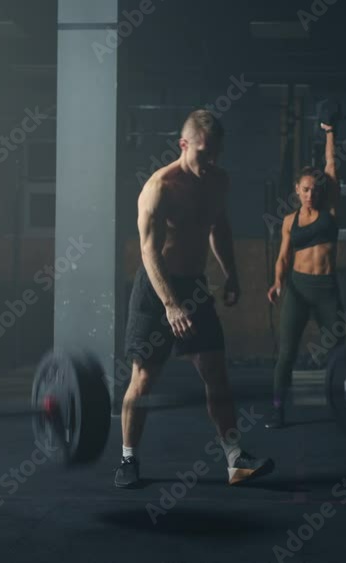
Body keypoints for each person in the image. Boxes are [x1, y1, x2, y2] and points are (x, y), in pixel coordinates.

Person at [116, 110, 273, 488]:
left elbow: (219, 226)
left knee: (216, 373)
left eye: (216, 153)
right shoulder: (160, 187)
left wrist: (231, 272)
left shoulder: (218, 181)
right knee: (144, 378)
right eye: (203, 153)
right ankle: (128, 459)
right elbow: (149, 252)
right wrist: (170, 305)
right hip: (156, 289)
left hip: (195, 288)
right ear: (183, 145)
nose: (210, 162)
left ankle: (235, 460)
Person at [265, 117, 343, 429]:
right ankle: (278, 409)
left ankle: (342, 405)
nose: (311, 194)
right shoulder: (289, 221)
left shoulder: (331, 208)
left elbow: (331, 165)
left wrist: (330, 133)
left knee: (338, 350)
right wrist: (277, 282)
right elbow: (284, 256)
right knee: (286, 353)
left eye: (315, 189)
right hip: (297, 288)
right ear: (297, 190)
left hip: (326, 289)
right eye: (306, 189)